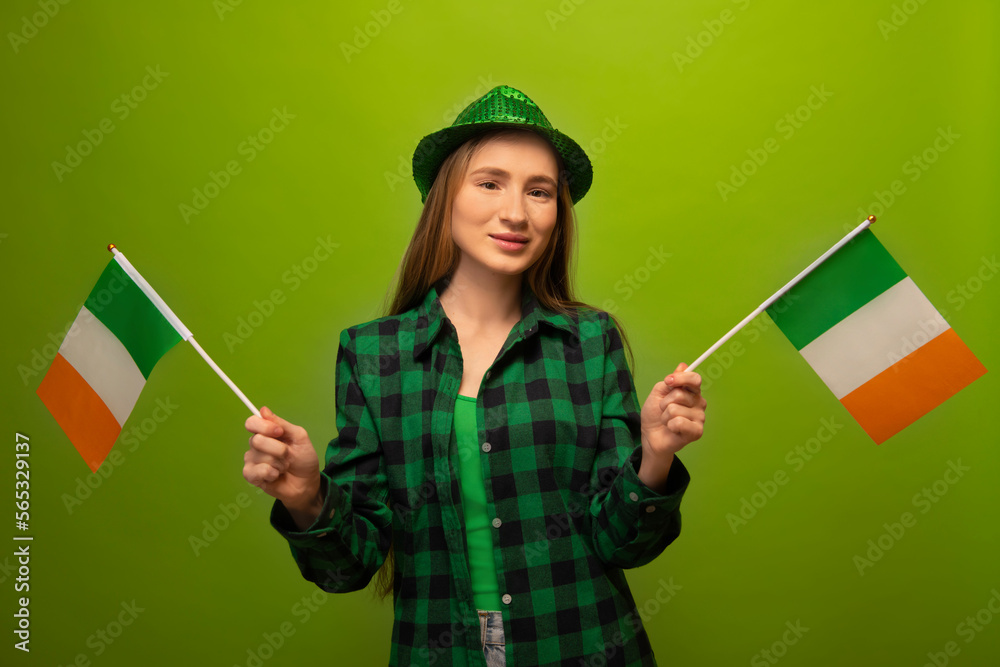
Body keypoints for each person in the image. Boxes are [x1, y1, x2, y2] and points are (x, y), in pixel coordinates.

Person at [243, 84, 707, 667]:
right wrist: (307, 497)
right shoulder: (372, 356)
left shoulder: (591, 344)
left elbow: (623, 543)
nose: (516, 212)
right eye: (490, 183)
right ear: (445, 198)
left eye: (539, 192)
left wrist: (656, 459)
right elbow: (348, 568)